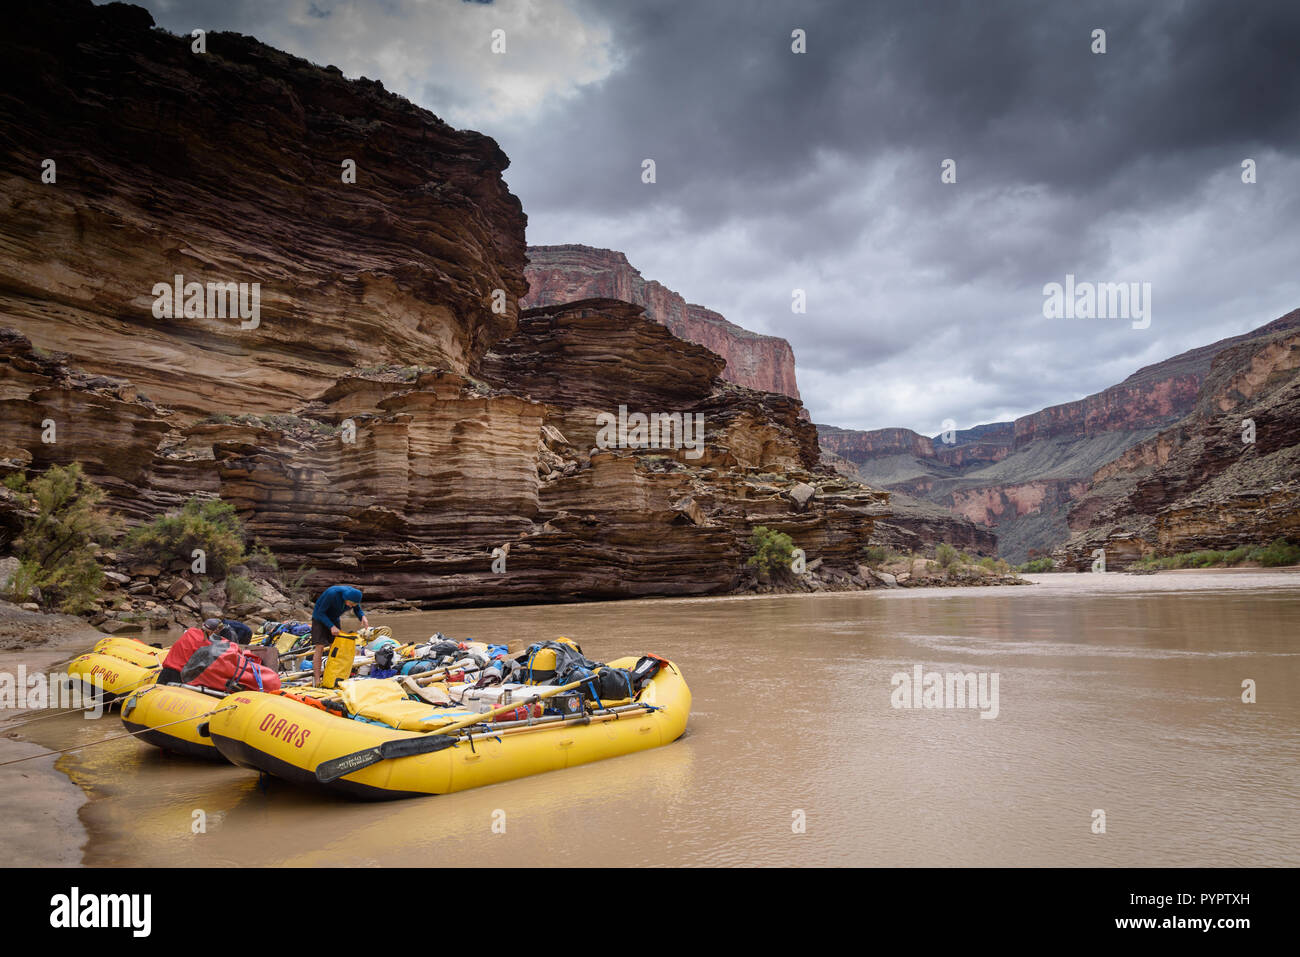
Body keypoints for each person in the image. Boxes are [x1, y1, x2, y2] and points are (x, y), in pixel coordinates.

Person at [311, 585, 369, 686]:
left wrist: (362, 617)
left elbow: (357, 609)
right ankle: (317, 680)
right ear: (345, 598)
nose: (351, 606)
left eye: (353, 604)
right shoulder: (332, 594)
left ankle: (332, 675)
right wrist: (331, 626)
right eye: (350, 604)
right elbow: (320, 613)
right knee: (319, 647)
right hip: (319, 619)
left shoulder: (354, 598)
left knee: (335, 646)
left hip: (334, 618)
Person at [157, 618, 227, 684]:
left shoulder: (190, 631)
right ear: (214, 631)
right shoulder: (206, 644)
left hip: (166, 670)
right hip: (179, 675)